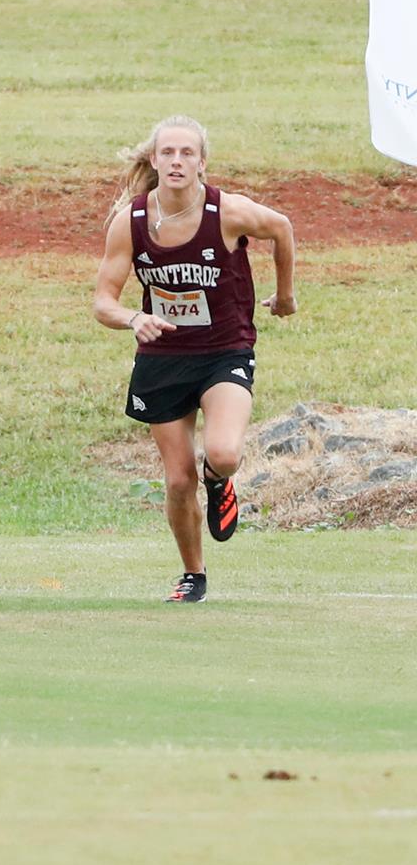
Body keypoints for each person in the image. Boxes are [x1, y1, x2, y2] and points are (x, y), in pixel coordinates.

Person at [92, 115, 297, 603]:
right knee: (178, 478)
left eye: (187, 153)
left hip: (224, 350)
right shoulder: (132, 222)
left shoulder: (227, 212)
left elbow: (282, 228)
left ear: (202, 162)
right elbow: (103, 300)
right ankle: (193, 574)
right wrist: (130, 319)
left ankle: (219, 479)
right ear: (154, 160)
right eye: (168, 153)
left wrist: (285, 295)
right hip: (162, 359)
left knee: (223, 453)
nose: (177, 161)